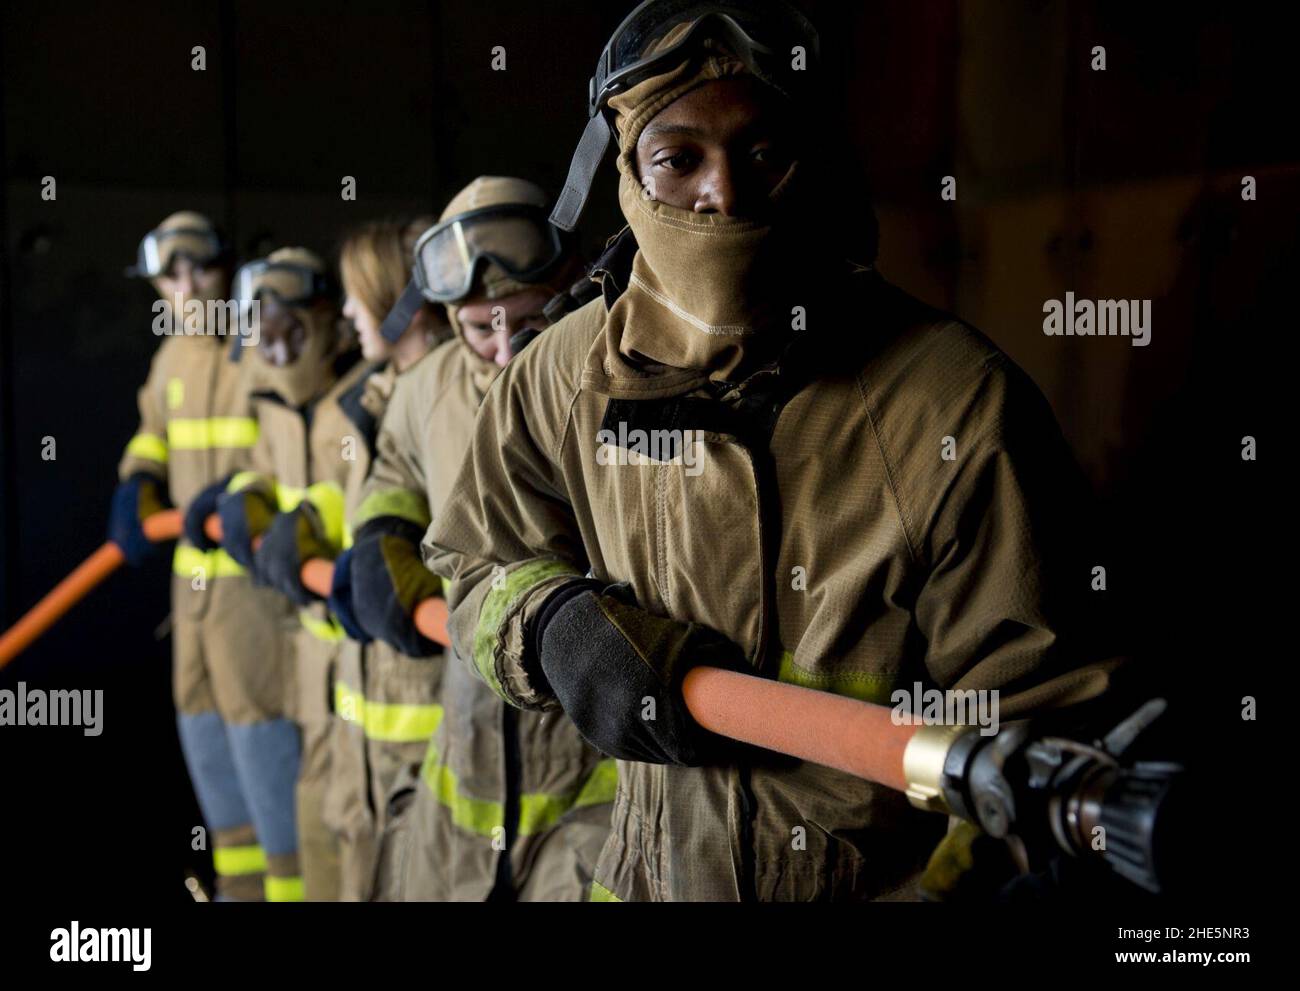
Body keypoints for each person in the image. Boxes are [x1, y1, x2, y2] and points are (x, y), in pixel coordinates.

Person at [424, 0, 1116, 902]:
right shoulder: (563, 373)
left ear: (811, 158)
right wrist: (549, 622)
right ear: (624, 170)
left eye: (759, 152)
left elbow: (1044, 725)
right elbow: (477, 561)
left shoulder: (952, 403)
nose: (725, 195)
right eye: (679, 158)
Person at [343, 177, 615, 900]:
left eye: (526, 324)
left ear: (571, 283)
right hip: (461, 771)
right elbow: (395, 465)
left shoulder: (617, 379)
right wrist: (381, 534)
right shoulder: (424, 386)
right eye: (479, 329)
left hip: (597, 782)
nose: (502, 353)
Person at [111, 211, 301, 902]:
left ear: (226, 269)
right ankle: (238, 892)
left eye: (201, 268)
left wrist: (241, 487)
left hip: (252, 596)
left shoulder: (262, 343)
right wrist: (138, 478)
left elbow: (294, 441)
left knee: (264, 746)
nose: (188, 286)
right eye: (171, 274)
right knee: (206, 740)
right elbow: (152, 431)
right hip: (189, 597)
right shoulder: (171, 356)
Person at [194, 246, 362, 901]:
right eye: (264, 337)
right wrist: (247, 491)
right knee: (311, 841)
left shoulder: (364, 397)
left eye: (293, 332)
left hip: (366, 667)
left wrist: (313, 517)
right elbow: (264, 461)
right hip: (310, 673)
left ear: (329, 320)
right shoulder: (274, 399)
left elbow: (384, 497)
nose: (281, 352)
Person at [316, 218, 445, 901]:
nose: (343, 313)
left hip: (427, 733)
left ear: (405, 300)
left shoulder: (453, 400)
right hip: (363, 732)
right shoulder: (369, 397)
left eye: (357, 296)